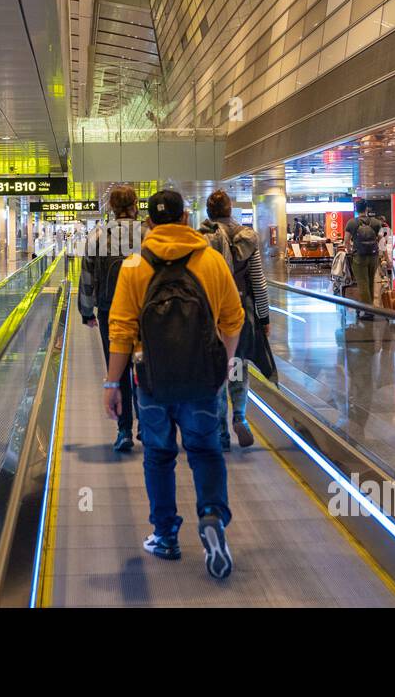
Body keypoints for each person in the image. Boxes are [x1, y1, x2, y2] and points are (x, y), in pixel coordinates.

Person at [104, 189, 243, 579]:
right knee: (206, 451)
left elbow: (120, 331)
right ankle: (212, 514)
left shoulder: (134, 265)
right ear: (185, 218)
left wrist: (111, 385)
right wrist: (223, 363)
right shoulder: (211, 261)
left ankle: (165, 536)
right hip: (202, 379)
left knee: (158, 455)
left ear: (149, 223)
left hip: (152, 379)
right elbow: (233, 319)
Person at [199, 189, 269, 451]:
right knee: (237, 364)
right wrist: (264, 317)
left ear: (209, 212)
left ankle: (220, 431)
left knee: (215, 369)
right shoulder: (246, 238)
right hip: (240, 311)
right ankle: (239, 415)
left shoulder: (201, 240)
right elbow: (258, 282)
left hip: (211, 313)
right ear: (231, 210)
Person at [79, 185, 147, 452]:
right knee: (143, 366)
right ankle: (145, 424)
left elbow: (87, 278)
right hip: (145, 311)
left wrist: (87, 312)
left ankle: (124, 430)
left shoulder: (97, 236)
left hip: (111, 311)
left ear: (110, 207)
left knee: (116, 369)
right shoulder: (148, 234)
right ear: (135, 205)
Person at [345, 201, 383, 320]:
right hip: (373, 256)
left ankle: (368, 312)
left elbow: (346, 240)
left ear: (356, 209)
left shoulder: (352, 222)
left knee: (363, 283)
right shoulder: (376, 222)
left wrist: (350, 250)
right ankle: (371, 308)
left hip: (359, 256)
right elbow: (381, 236)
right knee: (371, 282)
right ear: (366, 209)